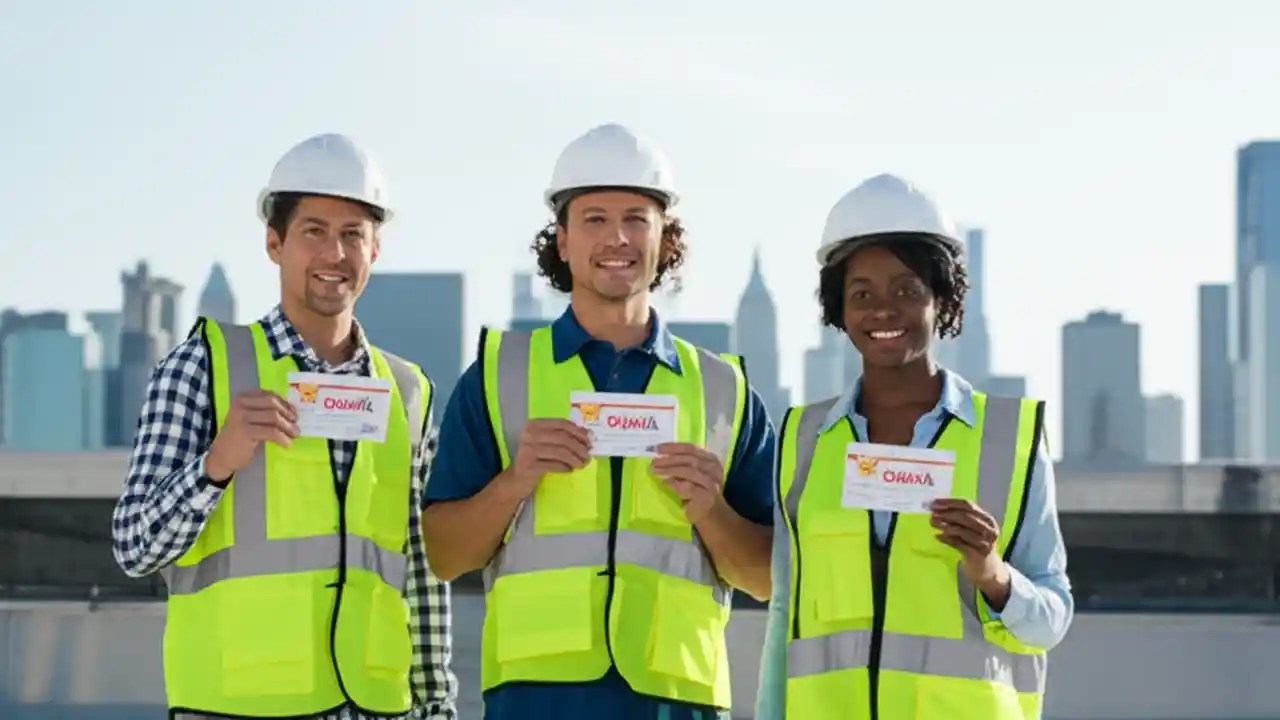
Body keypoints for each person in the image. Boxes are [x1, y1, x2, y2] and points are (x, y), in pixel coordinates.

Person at [422, 123, 776, 720]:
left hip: (678, 702)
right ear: (561, 240)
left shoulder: (724, 391)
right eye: (594, 219)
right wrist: (514, 482)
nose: (617, 237)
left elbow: (766, 579)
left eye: (637, 218)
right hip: (534, 700)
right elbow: (442, 557)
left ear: (666, 239)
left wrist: (710, 508)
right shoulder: (496, 377)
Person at [110, 133, 457, 719]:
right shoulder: (204, 367)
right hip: (238, 706)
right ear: (275, 243)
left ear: (375, 250)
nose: (335, 253)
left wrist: (437, 706)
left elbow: (421, 576)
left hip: (375, 707)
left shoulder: (407, 392)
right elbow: (134, 546)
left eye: (353, 234)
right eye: (314, 232)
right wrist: (217, 463)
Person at [755, 174, 1074, 719]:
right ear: (839, 308)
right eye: (862, 295)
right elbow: (786, 613)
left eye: (907, 290)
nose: (883, 311)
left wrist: (991, 572)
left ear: (941, 301)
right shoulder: (802, 440)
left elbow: (1051, 618)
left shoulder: (1007, 439)